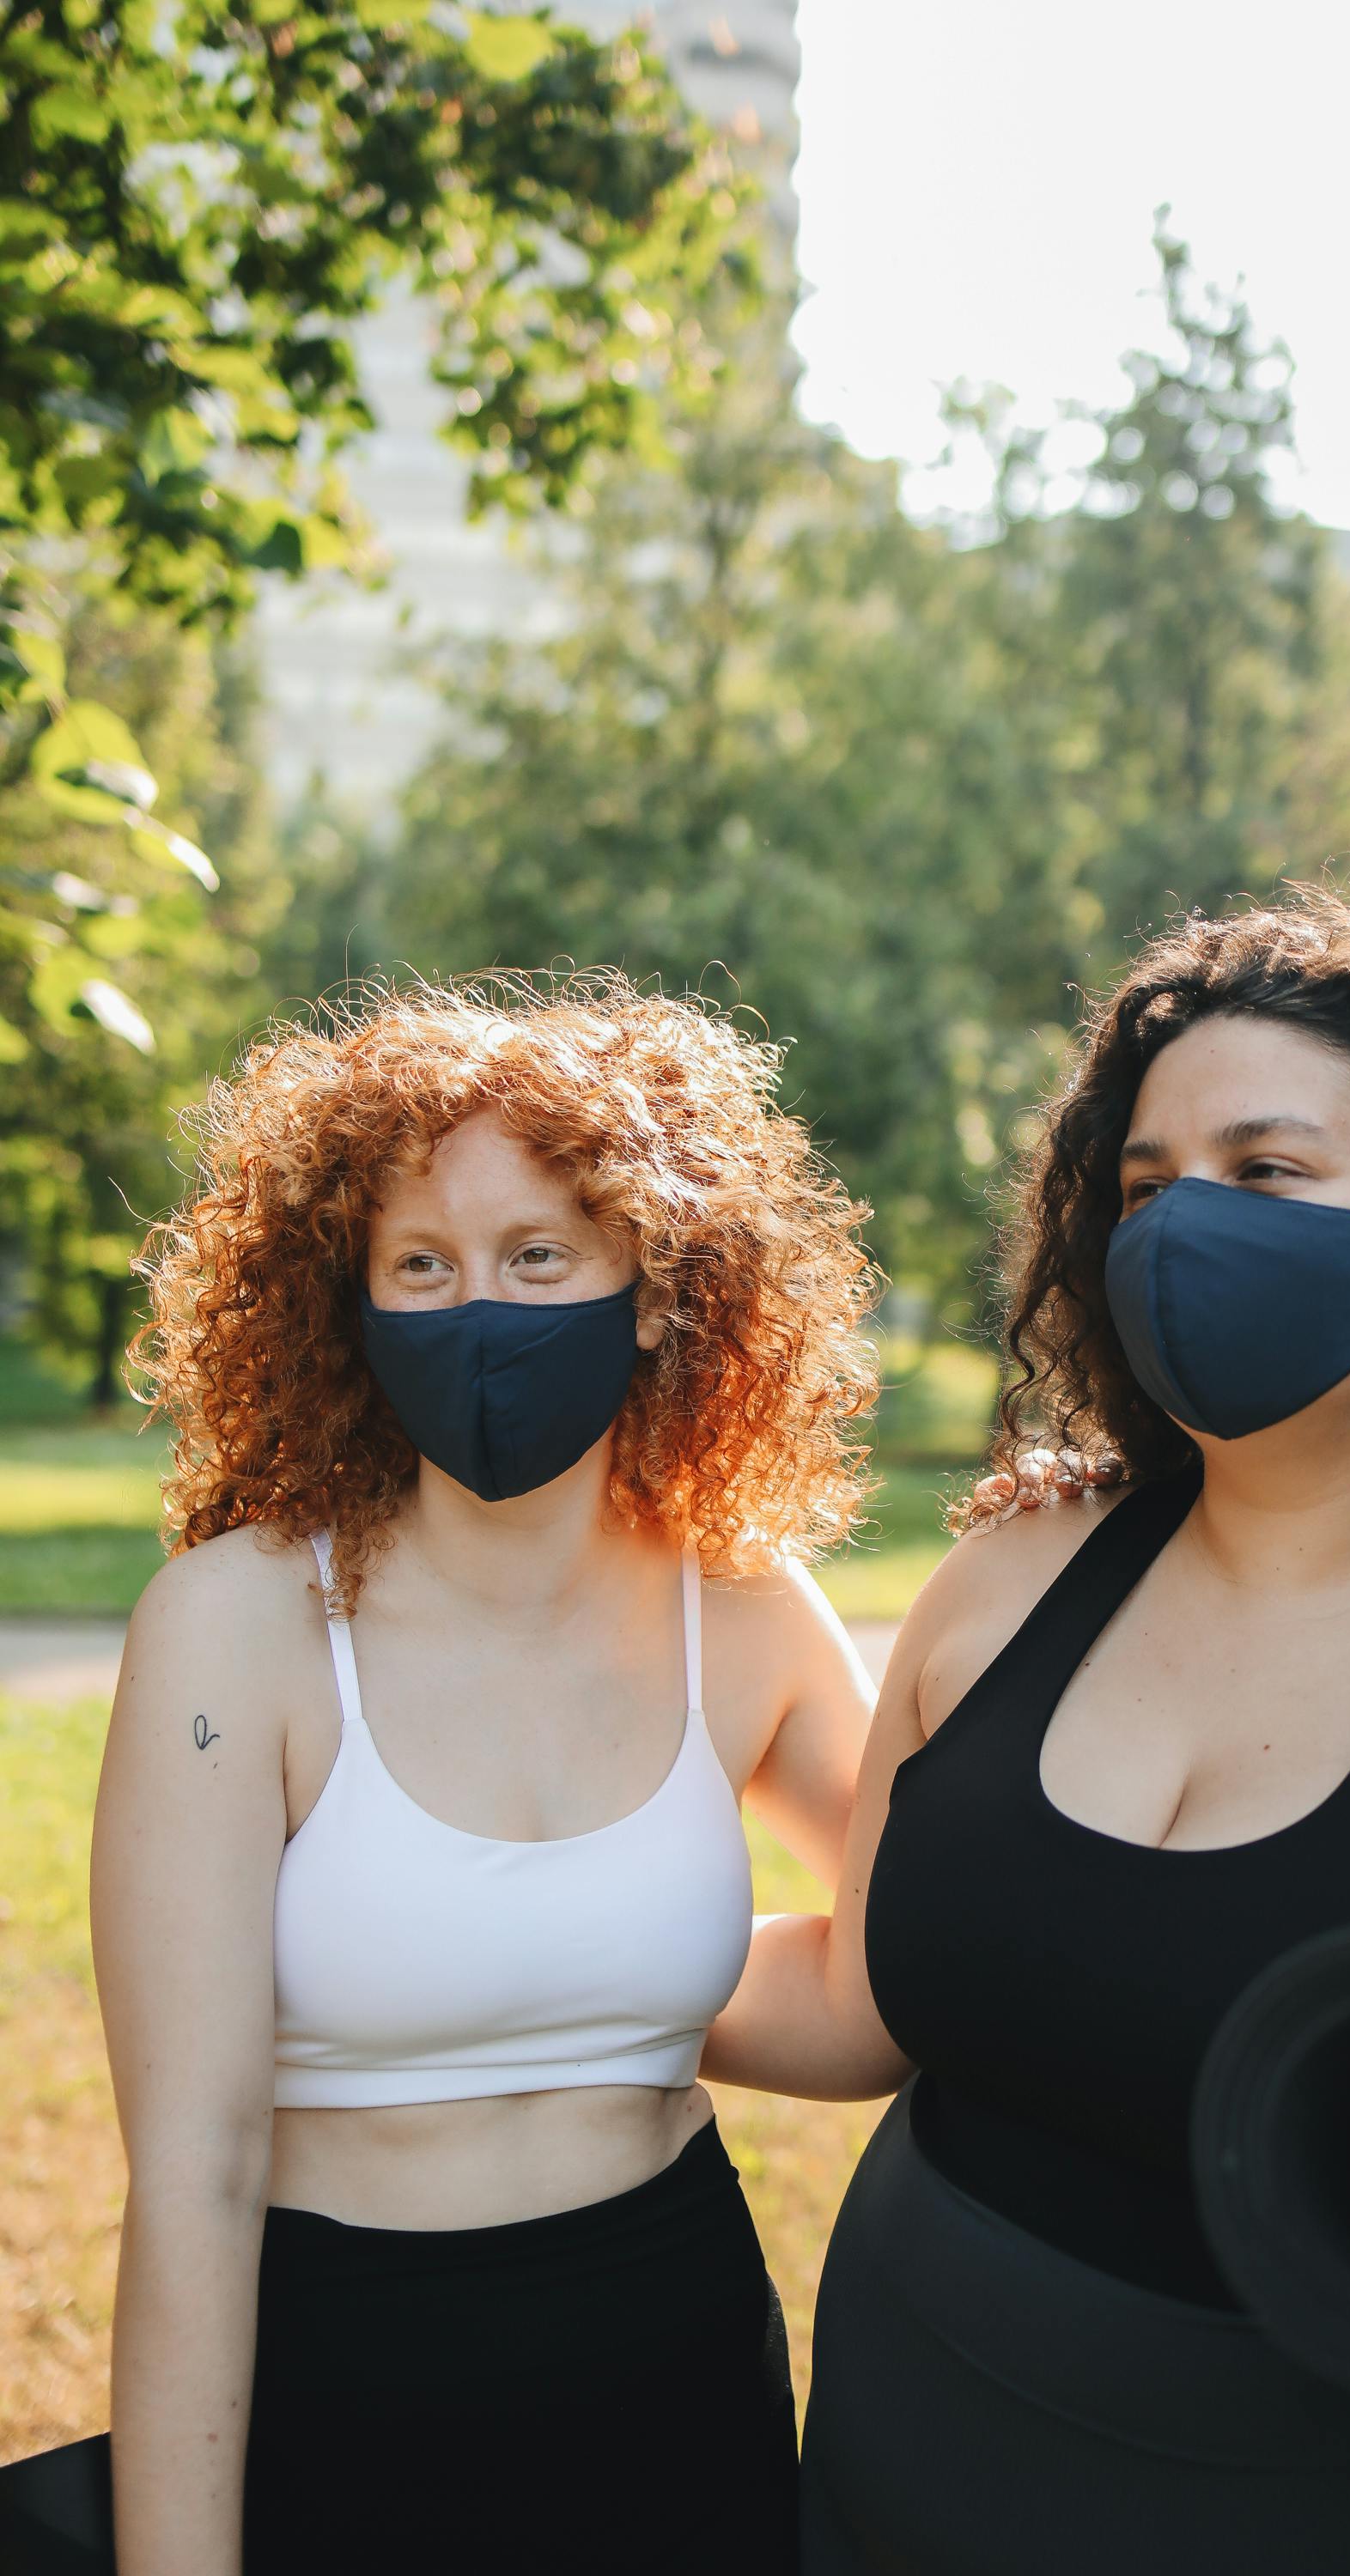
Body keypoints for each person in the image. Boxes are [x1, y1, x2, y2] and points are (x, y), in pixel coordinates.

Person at [712, 892, 1350, 2573]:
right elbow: (852, 2006)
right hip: (895, 2488)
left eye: (1266, 1172)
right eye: (1144, 1187)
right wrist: (521, 1953)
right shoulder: (1007, 1579)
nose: (1186, 1229)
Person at [91, 975, 879, 2576]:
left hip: (682, 2369)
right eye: (424, 1269)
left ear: (655, 1286)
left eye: (539, 1259)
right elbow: (192, 2178)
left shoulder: (744, 1608)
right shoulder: (233, 1630)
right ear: (354, 1305)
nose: (481, 1317)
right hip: (343, 2389)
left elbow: (918, 1963)